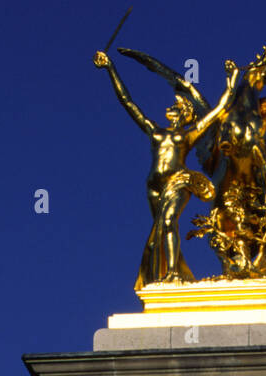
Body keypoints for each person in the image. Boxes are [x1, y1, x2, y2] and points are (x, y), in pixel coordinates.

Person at [93, 50, 239, 288]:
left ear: (185, 114)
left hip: (178, 181)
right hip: (154, 185)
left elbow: (218, 111)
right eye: (174, 106)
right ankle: (166, 272)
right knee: (158, 234)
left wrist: (231, 82)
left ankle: (173, 273)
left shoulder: (189, 133)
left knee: (170, 222)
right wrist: (110, 68)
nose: (173, 108)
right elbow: (127, 102)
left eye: (179, 107)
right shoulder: (155, 130)